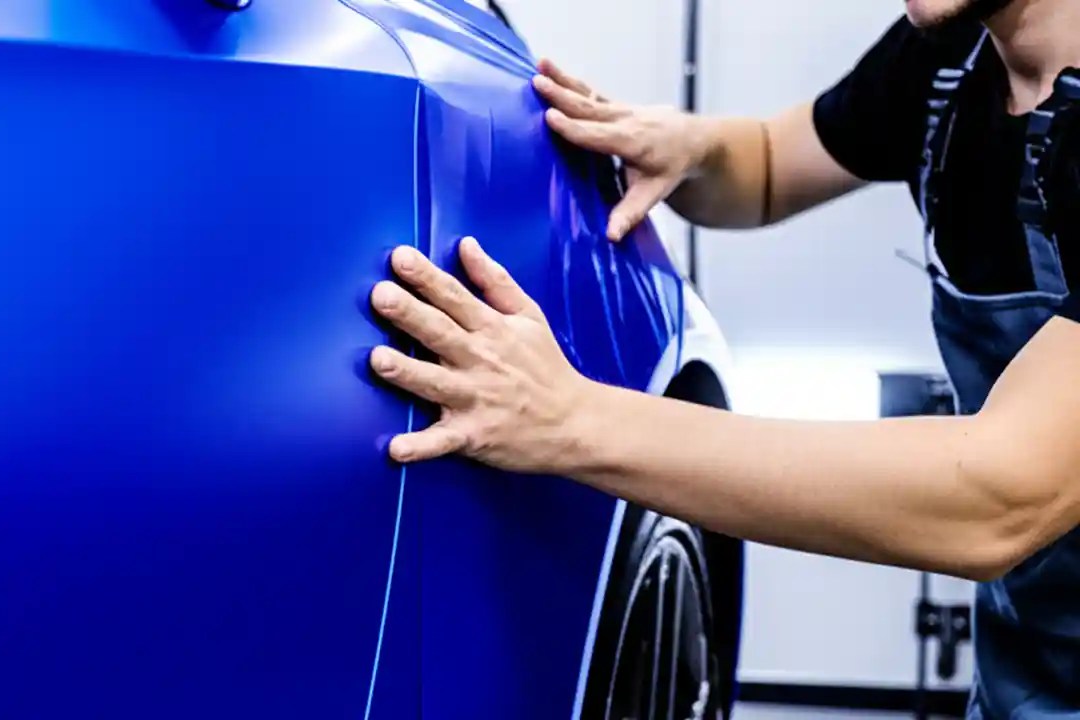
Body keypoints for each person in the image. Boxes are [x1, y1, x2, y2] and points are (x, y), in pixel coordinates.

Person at [366, 0, 1080, 717]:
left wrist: (571, 418)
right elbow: (770, 165)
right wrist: (690, 146)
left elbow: (1000, 497)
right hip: (1021, 679)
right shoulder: (949, 59)